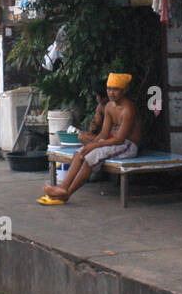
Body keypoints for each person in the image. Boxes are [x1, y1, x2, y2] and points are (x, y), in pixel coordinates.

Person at [40, 72, 143, 205]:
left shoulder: (128, 109)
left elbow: (120, 140)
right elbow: (104, 134)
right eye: (109, 89)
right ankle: (62, 187)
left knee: (91, 157)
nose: (111, 93)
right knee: (80, 153)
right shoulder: (110, 107)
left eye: (116, 89)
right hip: (113, 141)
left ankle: (67, 193)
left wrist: (94, 146)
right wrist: (90, 145)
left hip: (127, 145)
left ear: (124, 91)